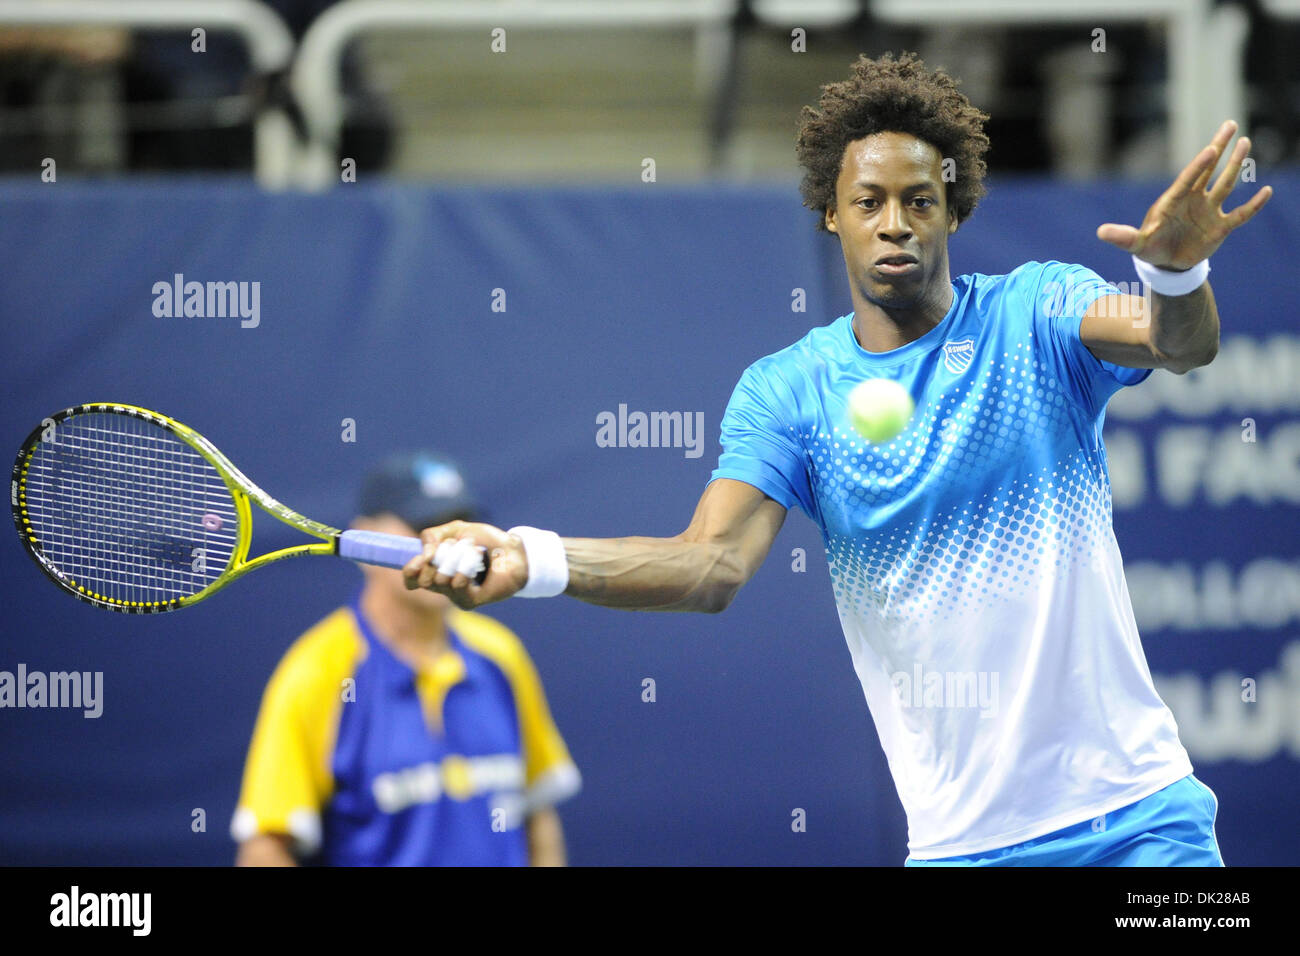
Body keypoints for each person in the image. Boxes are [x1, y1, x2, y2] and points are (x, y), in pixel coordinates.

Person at [403, 53, 1272, 866]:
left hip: (1138, 818)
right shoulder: (788, 393)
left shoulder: (1038, 310)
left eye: (919, 200)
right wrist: (534, 557)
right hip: (960, 844)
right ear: (831, 212)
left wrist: (1172, 277)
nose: (895, 223)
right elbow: (711, 565)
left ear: (954, 208)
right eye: (868, 202)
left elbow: (1176, 346)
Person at [232, 452, 580, 866]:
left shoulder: (501, 656)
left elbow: (537, 815)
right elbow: (266, 848)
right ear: (364, 539)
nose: (449, 550)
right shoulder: (316, 671)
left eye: (461, 530)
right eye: (424, 530)